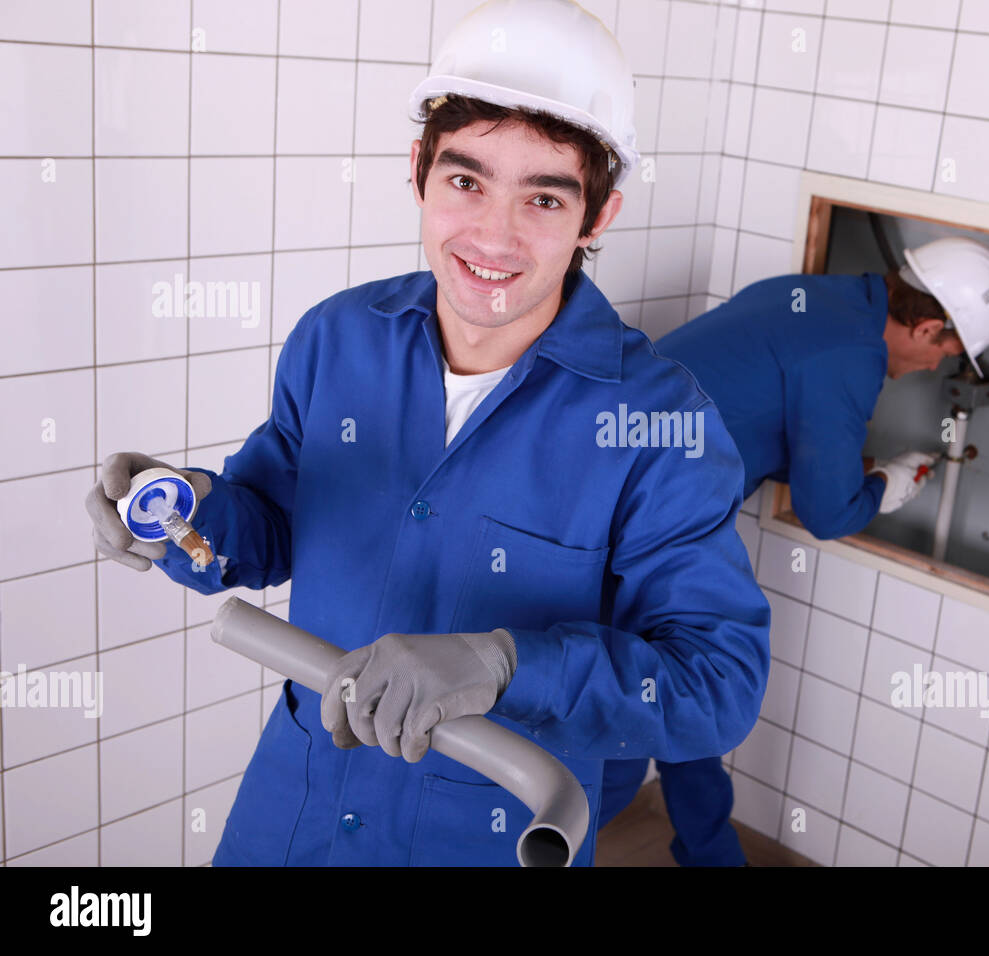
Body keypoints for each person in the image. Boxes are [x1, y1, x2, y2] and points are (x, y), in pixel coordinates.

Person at [84, 0, 769, 867]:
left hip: (489, 831)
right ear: (418, 170)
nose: (494, 235)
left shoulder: (659, 426)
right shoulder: (338, 338)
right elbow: (266, 530)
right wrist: (182, 513)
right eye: (466, 180)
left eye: (545, 198)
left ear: (597, 219)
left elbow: (718, 685)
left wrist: (505, 663)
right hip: (292, 809)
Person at [599, 237, 989, 865]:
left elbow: (775, 416)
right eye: (948, 353)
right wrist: (887, 486)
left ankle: (712, 856)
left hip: (625, 497)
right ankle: (507, 844)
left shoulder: (828, 299)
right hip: (634, 527)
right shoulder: (850, 356)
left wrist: (865, 467)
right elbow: (828, 513)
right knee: (626, 740)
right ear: (928, 327)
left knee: (690, 693)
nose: (938, 368)